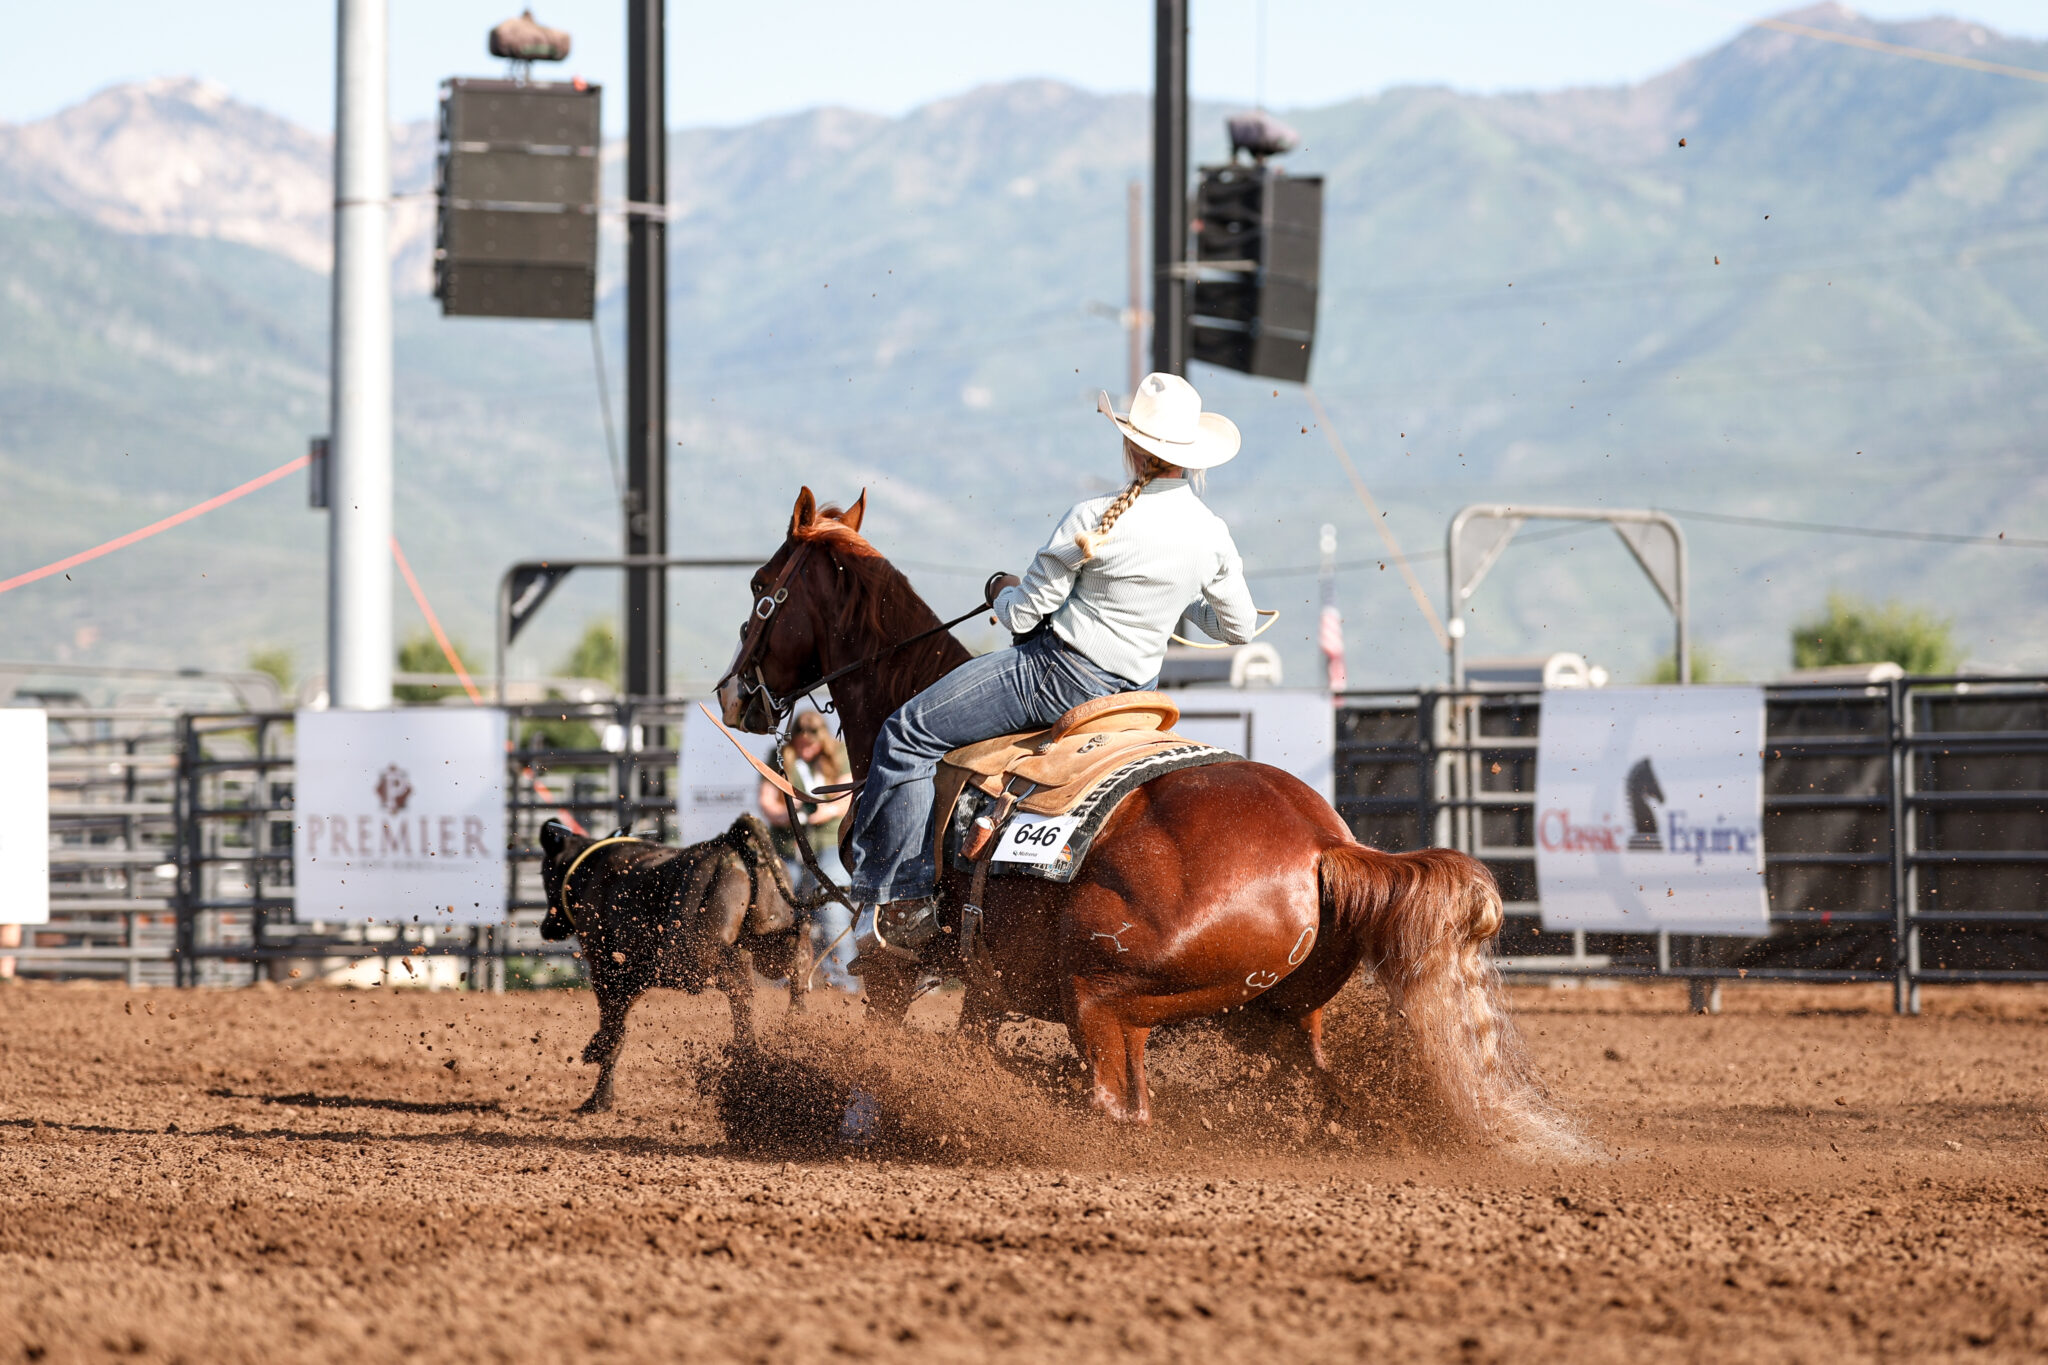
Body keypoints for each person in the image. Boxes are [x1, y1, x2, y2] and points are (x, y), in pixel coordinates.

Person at [847, 372, 1260, 969]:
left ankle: (901, 900)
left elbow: (1022, 618)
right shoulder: (1212, 535)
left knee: (907, 734)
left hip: (1054, 676)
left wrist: (998, 591)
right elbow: (1237, 628)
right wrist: (1174, 601)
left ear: (1133, 446)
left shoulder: (1094, 517)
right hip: (1136, 696)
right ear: (1189, 458)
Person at [756, 710, 858, 991]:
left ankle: (841, 981)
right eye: (800, 742)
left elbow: (846, 799)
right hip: (789, 846)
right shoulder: (779, 757)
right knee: (781, 909)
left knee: (833, 910)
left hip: (829, 844)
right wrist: (789, 817)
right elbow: (768, 802)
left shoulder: (839, 755)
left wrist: (819, 814)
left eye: (810, 742)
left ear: (822, 739)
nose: (805, 748)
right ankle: (785, 977)